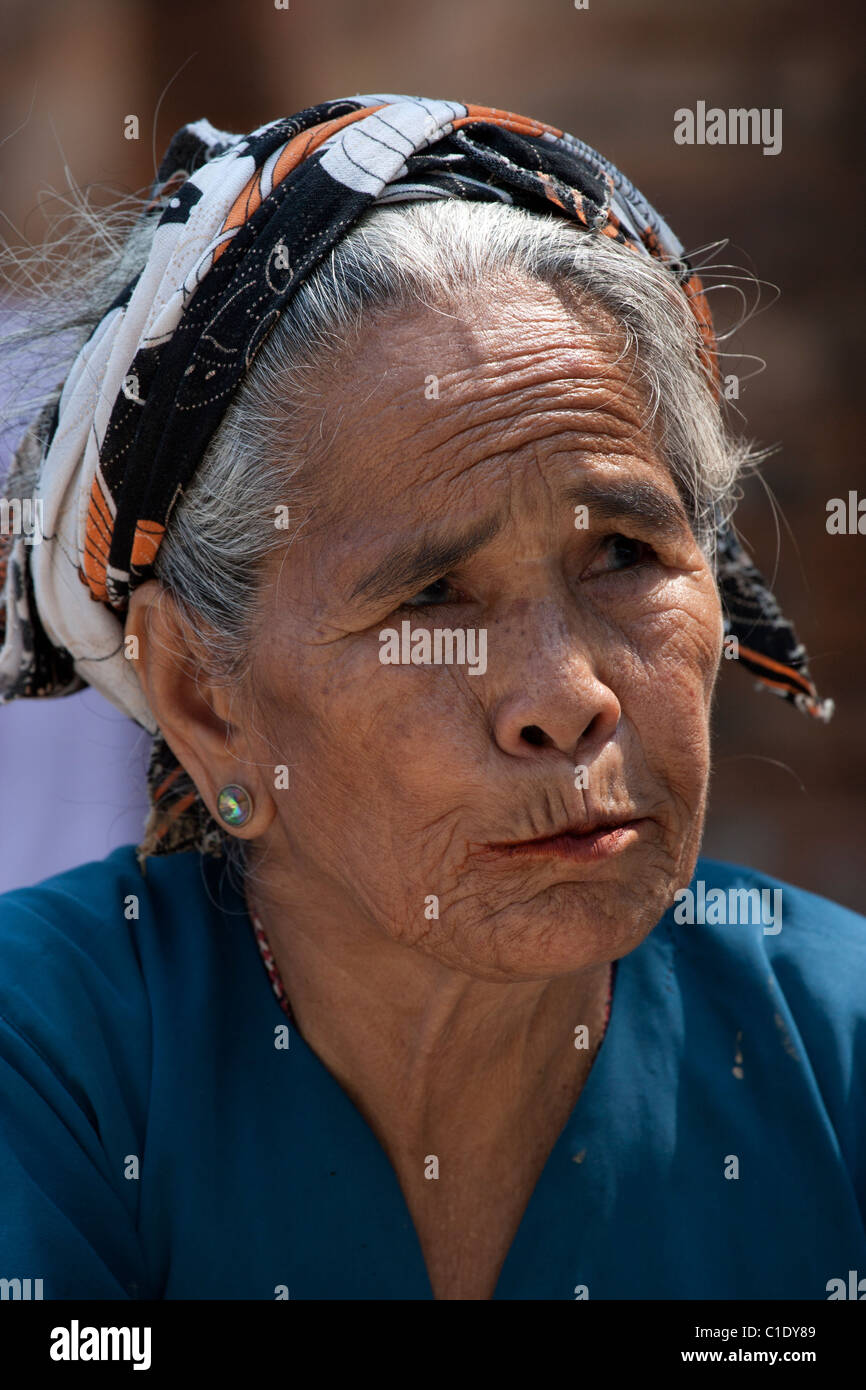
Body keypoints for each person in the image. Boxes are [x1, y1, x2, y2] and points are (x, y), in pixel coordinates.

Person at [0, 94, 862, 1302]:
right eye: (432, 599)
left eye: (621, 553)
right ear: (202, 696)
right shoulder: (46, 1060)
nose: (563, 702)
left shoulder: (834, 1049)